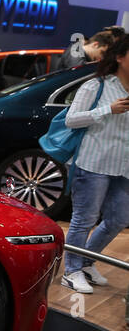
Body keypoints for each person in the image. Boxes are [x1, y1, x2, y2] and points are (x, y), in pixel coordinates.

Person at [59, 34, 129, 294]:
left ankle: (86, 262)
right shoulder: (96, 85)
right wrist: (107, 110)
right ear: (120, 57)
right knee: (84, 218)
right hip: (94, 162)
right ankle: (71, 270)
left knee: (119, 218)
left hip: (124, 166)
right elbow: (71, 119)